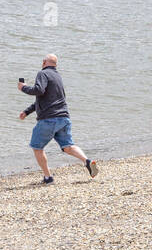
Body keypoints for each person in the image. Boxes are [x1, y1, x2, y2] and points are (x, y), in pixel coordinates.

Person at [17, 54, 99, 184]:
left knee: (37, 148)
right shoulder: (58, 77)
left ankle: (48, 177)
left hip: (48, 120)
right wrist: (27, 112)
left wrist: (23, 87)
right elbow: (46, 99)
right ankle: (87, 161)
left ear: (44, 62)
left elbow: (38, 90)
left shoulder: (42, 74)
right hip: (63, 118)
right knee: (68, 147)